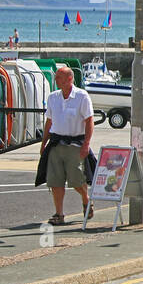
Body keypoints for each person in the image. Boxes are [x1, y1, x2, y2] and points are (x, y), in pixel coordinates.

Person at [41, 66, 94, 225]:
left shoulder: (81, 96)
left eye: (59, 77)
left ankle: (86, 200)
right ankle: (59, 213)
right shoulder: (53, 97)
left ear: (69, 79)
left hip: (75, 143)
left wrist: (86, 144)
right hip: (56, 143)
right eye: (56, 77)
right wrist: (44, 142)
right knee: (55, 181)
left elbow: (89, 121)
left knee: (77, 179)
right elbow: (49, 122)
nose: (56, 80)